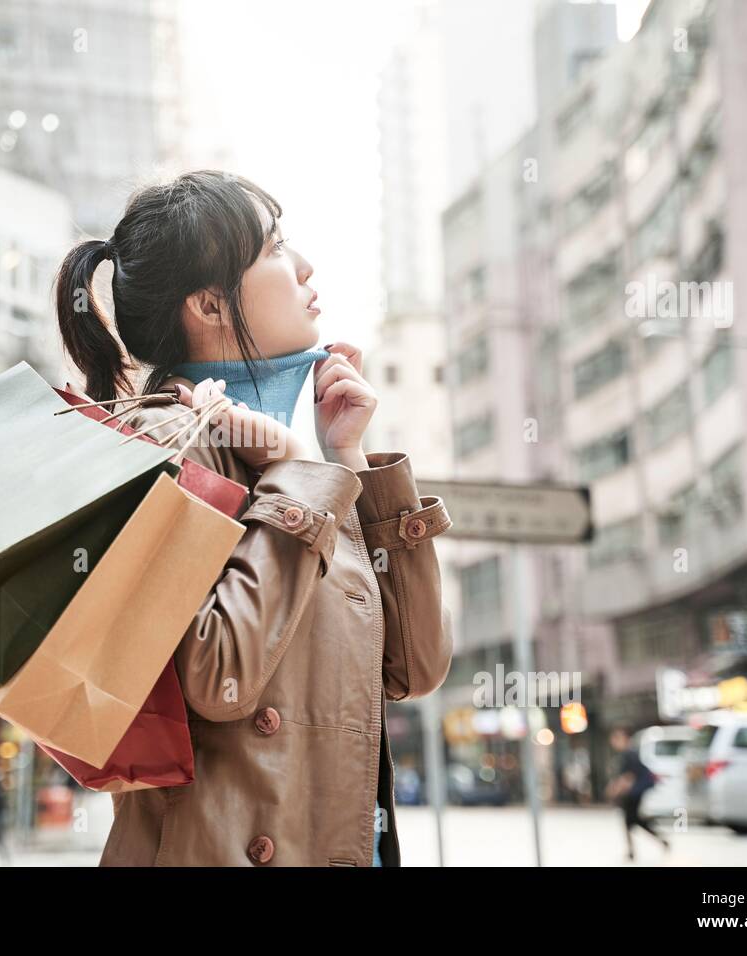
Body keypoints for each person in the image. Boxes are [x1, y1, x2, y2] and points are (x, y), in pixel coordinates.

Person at [59, 171, 454, 866]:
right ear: (210, 304)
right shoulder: (161, 445)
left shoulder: (292, 461)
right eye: (275, 248)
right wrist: (300, 478)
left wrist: (348, 457)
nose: (304, 267)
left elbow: (413, 670)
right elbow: (221, 677)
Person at [607, 727, 669, 862]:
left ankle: (639, 849)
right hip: (635, 792)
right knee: (632, 820)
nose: (614, 742)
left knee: (633, 820)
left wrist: (614, 790)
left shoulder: (629, 754)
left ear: (624, 738)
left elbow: (628, 777)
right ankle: (634, 850)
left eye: (616, 738)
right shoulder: (630, 753)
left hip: (634, 792)